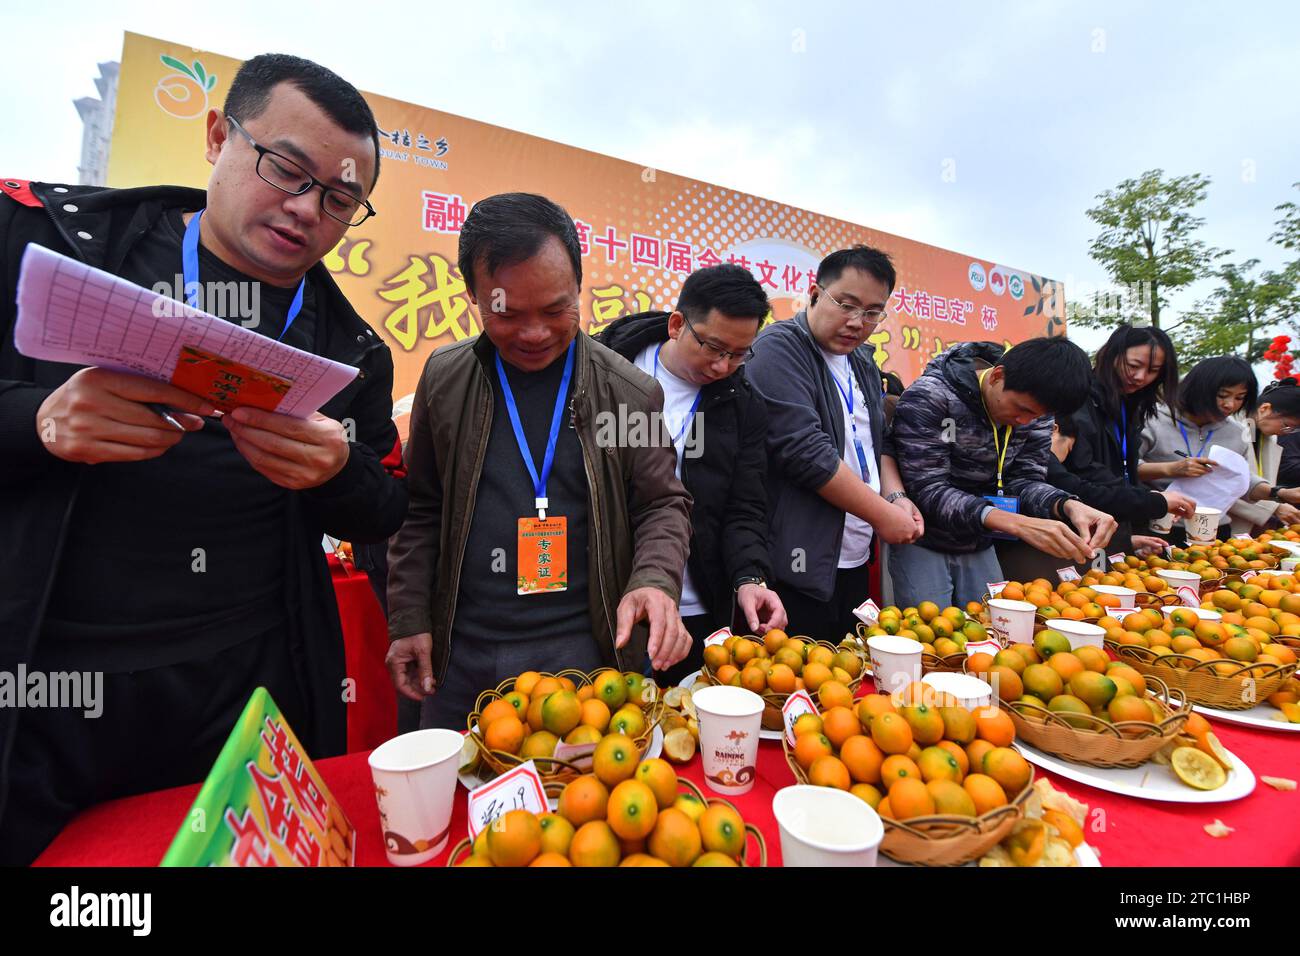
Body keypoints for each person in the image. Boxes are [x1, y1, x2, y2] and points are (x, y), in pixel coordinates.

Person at [0, 54, 407, 864]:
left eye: (338, 198)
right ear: (219, 135)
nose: (304, 210)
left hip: (244, 682)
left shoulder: (352, 347)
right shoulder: (45, 237)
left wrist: (335, 473)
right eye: (287, 169)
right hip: (43, 676)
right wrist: (34, 420)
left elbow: (383, 508)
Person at [384, 193, 694, 729]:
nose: (533, 334)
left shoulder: (626, 392)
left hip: (585, 652)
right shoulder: (446, 378)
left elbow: (662, 503)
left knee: (580, 807)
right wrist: (409, 617)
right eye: (506, 312)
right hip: (462, 651)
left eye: (556, 310)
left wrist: (654, 580)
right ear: (473, 295)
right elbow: (420, 506)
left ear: (578, 285)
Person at [597, 264, 787, 683]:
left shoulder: (743, 406)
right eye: (713, 348)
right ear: (678, 324)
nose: (722, 366)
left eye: (739, 354)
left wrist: (750, 577)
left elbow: (745, 507)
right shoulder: (603, 371)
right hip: (600, 598)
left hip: (692, 607)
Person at [745, 245, 923, 642]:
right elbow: (804, 451)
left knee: (850, 679)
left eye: (873, 312)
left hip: (855, 555)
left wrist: (894, 498)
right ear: (813, 294)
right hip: (796, 561)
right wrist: (881, 513)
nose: (858, 322)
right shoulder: (778, 348)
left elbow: (878, 441)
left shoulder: (861, 361)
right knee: (795, 682)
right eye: (846, 304)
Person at [888, 338, 1117, 609]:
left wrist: (1066, 504)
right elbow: (928, 489)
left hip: (981, 539)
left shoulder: (1037, 413)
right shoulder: (933, 396)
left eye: (1038, 416)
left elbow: (1024, 480)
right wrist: (1013, 522)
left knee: (995, 625)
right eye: (1022, 409)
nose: (1025, 422)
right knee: (930, 636)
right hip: (923, 537)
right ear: (997, 376)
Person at [1046, 324, 1196, 556]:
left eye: (1154, 370)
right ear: (1110, 355)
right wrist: (1148, 501)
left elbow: (1120, 473)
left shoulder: (1130, 406)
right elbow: (1081, 477)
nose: (1140, 377)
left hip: (1108, 531)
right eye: (1133, 365)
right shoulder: (1078, 401)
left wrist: (1127, 536)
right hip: (1074, 533)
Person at [1138, 356, 1300, 541]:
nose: (1230, 404)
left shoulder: (1237, 431)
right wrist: (1171, 468)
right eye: (1223, 395)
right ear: (1197, 389)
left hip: (1213, 529)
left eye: (1240, 398)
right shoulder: (1151, 420)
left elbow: (1240, 479)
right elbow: (1125, 469)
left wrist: (1279, 493)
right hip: (1156, 528)